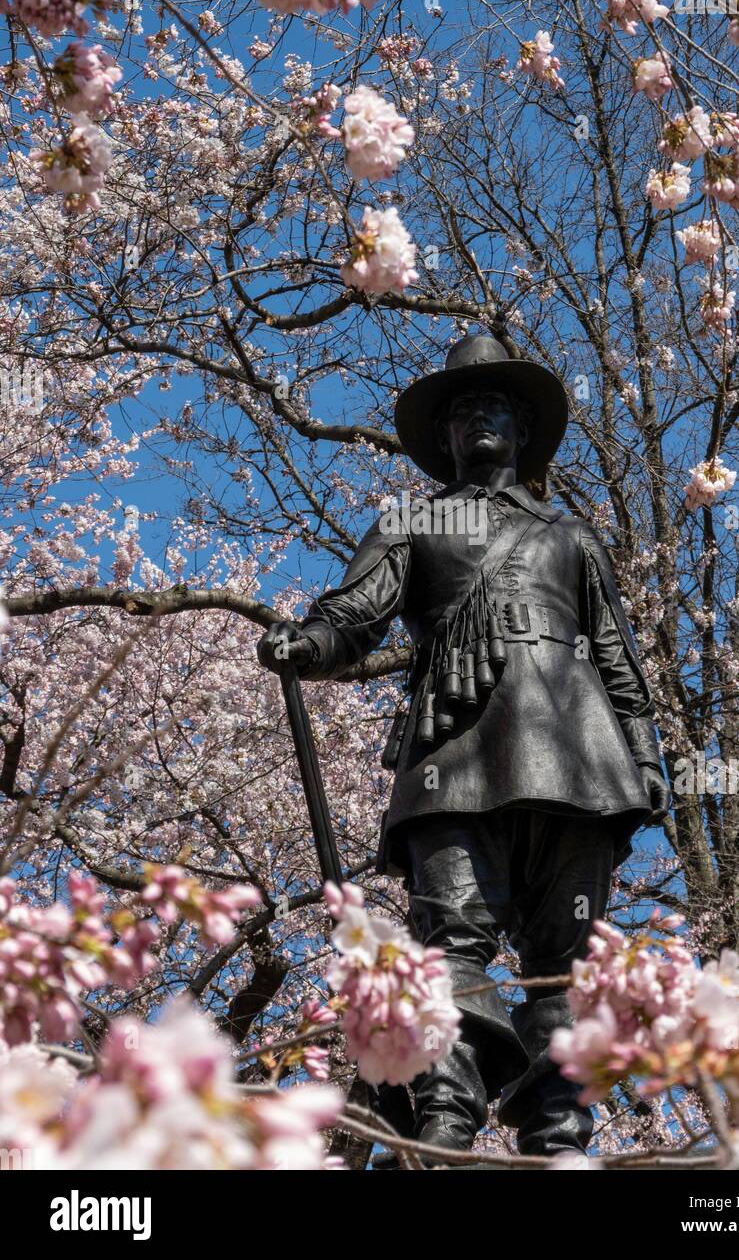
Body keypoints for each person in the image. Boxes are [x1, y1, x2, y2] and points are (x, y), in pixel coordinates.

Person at [258, 331, 671, 1161]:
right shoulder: (413, 522)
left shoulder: (572, 537)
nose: (478, 420)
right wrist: (308, 644)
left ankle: (560, 1129)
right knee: (451, 939)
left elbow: (619, 658)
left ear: (522, 430)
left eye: (495, 408)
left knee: (569, 955)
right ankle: (447, 1112)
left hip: (579, 750)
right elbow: (353, 612)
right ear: (444, 438)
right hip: (457, 746)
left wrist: (647, 754)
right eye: (462, 411)